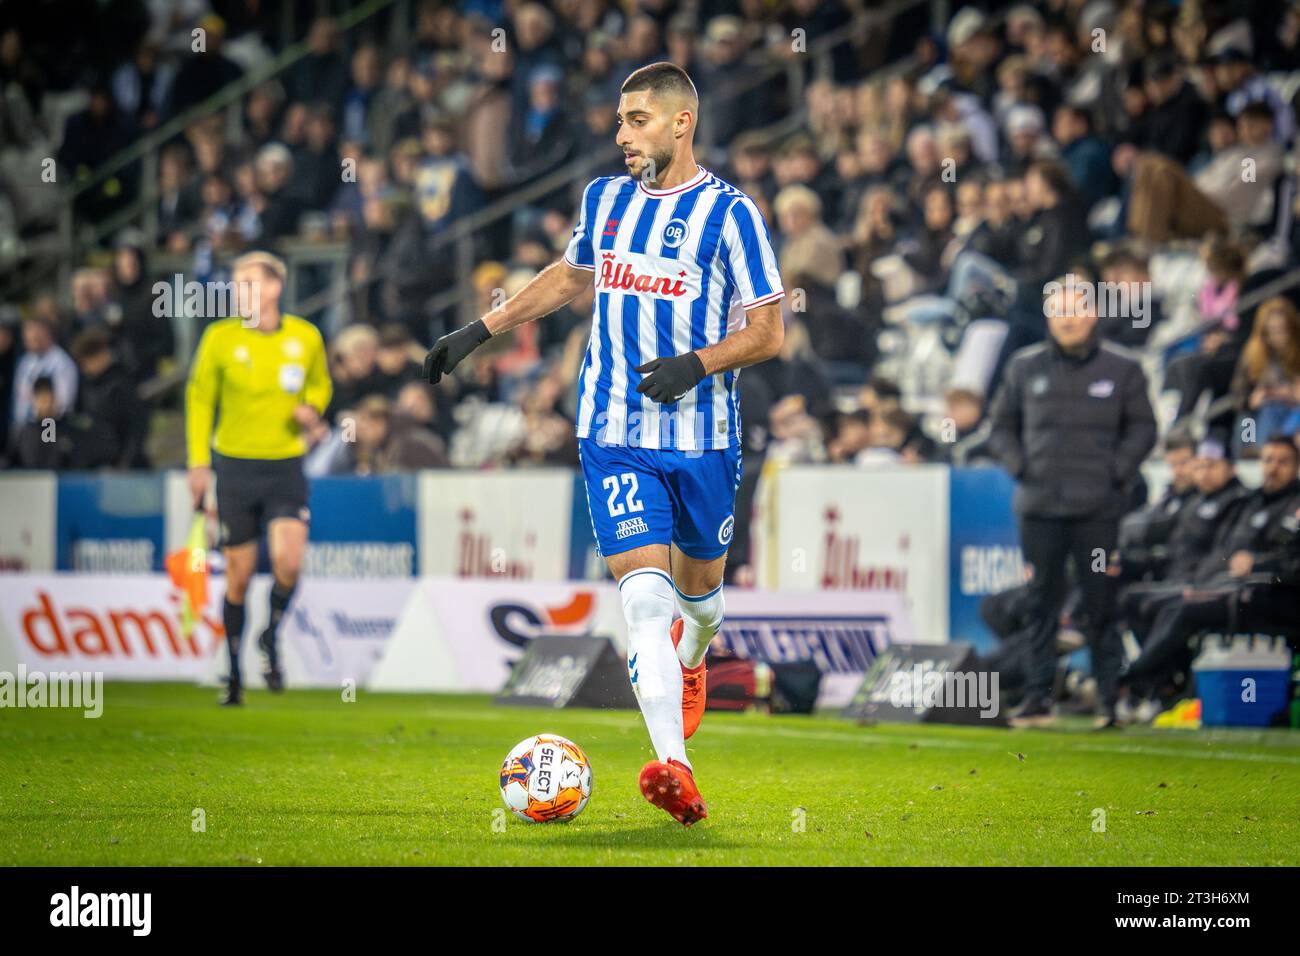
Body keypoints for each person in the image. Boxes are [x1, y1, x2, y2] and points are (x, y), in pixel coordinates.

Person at [422, 62, 783, 826]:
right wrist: (476, 333)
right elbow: (569, 277)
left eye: (638, 120)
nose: (622, 136)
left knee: (702, 603)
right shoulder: (605, 199)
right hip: (613, 430)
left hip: (703, 438)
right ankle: (675, 771)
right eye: (620, 121)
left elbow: (768, 331)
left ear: (682, 123)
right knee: (646, 602)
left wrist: (696, 363)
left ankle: (696, 658)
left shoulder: (732, 215)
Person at [989, 278, 1157, 728]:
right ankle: (1038, 698)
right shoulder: (1024, 367)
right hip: (1039, 507)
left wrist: (1116, 474)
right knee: (1039, 603)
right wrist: (1020, 466)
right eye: (1059, 312)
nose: (1068, 319)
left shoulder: (1124, 369)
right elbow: (999, 426)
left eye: (1076, 310)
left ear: (1093, 314)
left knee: (1102, 603)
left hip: (1097, 510)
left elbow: (1144, 428)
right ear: (1049, 318)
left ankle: (1109, 700)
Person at [185, 251, 332, 705]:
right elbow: (198, 399)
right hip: (234, 467)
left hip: (285, 465)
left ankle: (270, 635)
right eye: (236, 282)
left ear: (273, 287)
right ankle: (233, 676)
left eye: (248, 281)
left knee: (289, 563)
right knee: (239, 575)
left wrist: (313, 410)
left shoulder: (304, 336)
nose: (238, 290)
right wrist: (197, 462)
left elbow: (320, 385)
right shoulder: (219, 338)